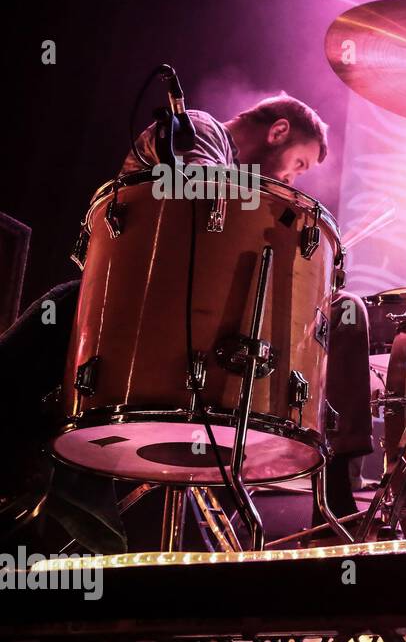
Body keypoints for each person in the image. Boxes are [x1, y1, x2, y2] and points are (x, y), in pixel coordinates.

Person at [0, 94, 370, 549]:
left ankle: (334, 492)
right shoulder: (198, 129)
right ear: (277, 131)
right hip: (132, 309)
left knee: (347, 313)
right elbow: (198, 200)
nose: (293, 177)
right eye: (298, 163)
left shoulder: (241, 188)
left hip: (194, 319)